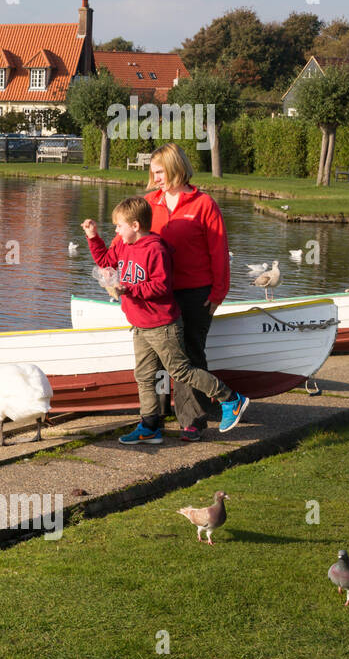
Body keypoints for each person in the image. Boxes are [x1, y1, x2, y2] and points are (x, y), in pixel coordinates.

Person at [82, 196, 249, 445]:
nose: (116, 231)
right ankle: (149, 425)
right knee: (144, 375)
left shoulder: (155, 249)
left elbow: (160, 286)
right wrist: (93, 237)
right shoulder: (122, 247)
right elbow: (105, 261)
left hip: (163, 325)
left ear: (136, 226)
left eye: (119, 226)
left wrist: (129, 289)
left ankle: (231, 397)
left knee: (181, 370)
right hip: (140, 324)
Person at [145, 142, 230, 441]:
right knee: (155, 355)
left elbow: (219, 251)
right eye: (153, 172)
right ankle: (152, 416)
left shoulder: (204, 204)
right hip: (157, 294)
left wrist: (218, 293)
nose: (155, 178)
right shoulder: (148, 204)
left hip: (196, 293)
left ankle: (193, 420)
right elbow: (131, 244)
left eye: (160, 172)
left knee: (189, 354)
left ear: (175, 169)